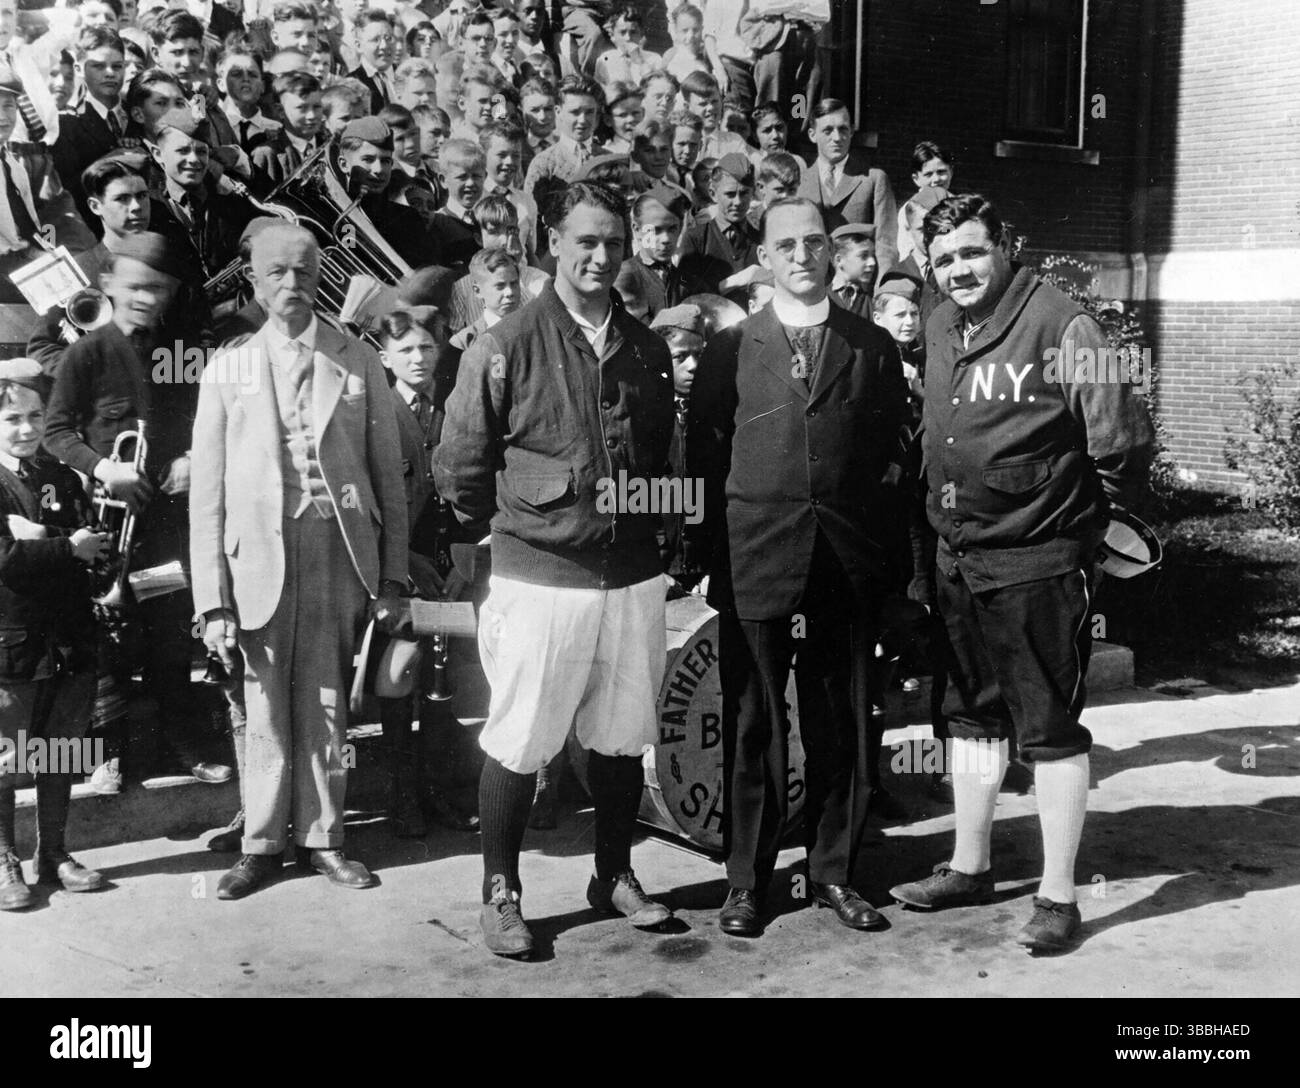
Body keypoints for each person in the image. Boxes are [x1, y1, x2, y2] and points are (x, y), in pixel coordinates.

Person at [887, 194, 1154, 952]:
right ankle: (969, 865)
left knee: (1047, 729)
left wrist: (1085, 532)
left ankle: (1058, 895)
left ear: (1004, 245)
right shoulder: (939, 323)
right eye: (943, 261)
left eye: (971, 252)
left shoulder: (1066, 323)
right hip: (957, 558)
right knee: (970, 716)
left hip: (1038, 560)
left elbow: (1122, 443)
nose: (959, 270)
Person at [434, 181, 677, 960]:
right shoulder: (504, 343)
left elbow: (662, 454)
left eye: (613, 243)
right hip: (540, 575)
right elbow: (461, 467)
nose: (601, 257)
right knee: (521, 737)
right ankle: (500, 892)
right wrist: (518, 533)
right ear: (553, 245)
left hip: (630, 575)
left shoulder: (647, 346)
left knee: (618, 733)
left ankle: (613, 873)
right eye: (585, 243)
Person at [686, 196, 910, 938]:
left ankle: (833, 873)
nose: (804, 255)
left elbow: (891, 459)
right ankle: (746, 882)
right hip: (756, 558)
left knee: (839, 723)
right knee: (753, 725)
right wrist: (709, 557)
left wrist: (880, 557)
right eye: (788, 245)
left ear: (832, 253)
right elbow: (704, 457)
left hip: (842, 563)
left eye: (816, 242)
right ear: (766, 255)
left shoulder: (872, 345)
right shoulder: (731, 348)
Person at [190, 221, 409, 901]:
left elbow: (388, 481)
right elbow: (207, 494)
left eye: (306, 271)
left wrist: (393, 574)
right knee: (262, 706)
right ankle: (260, 843)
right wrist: (212, 601)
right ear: (252, 280)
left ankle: (324, 837)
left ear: (323, 277)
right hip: (255, 558)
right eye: (277, 272)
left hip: (337, 555)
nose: (292, 284)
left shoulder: (359, 360)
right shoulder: (227, 366)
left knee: (326, 703)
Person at [45, 232, 230, 787]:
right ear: (108, 286)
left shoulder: (178, 348)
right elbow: (55, 432)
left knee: (171, 633)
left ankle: (182, 746)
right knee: (110, 641)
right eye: (135, 287)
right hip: (108, 520)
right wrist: (105, 469)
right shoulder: (86, 352)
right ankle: (110, 755)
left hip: (168, 516)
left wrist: (195, 455)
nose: (146, 297)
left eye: (157, 288)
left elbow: (209, 415)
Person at [0, 358, 112, 911]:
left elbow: (97, 547)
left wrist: (44, 537)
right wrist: (63, 544)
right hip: (13, 644)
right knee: (4, 756)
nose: (25, 429)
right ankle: (3, 862)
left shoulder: (60, 476)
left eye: (35, 416)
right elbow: (6, 562)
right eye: (11, 419)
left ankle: (55, 854)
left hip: (67, 638)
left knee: (61, 751)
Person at [376, 305, 479, 837]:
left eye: (427, 348)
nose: (418, 359)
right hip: (397, 575)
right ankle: (401, 799)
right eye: (406, 350)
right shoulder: (376, 412)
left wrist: (463, 563)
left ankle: (439, 794)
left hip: (452, 576)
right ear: (385, 356)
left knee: (443, 691)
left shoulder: (457, 408)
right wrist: (402, 562)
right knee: (398, 684)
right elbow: (368, 502)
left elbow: (477, 487)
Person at [26, 157, 149, 374]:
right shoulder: (67, 272)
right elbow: (41, 348)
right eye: (123, 199)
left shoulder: (172, 262)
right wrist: (89, 375)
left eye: (141, 196)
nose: (137, 207)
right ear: (95, 206)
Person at [796, 98, 898, 272]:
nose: (837, 138)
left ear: (851, 131)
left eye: (843, 129)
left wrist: (883, 291)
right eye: (827, 130)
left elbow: (885, 245)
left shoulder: (873, 179)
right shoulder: (798, 183)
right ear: (812, 135)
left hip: (860, 289)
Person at [650, 303, 706, 592]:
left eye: (699, 355)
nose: (693, 366)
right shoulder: (641, 417)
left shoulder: (716, 415)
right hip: (654, 570)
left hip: (705, 571)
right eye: (680, 357)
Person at [53, 26, 129, 236]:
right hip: (100, 230)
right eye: (98, 66)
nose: (110, 73)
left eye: (117, 66)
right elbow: (70, 189)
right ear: (79, 69)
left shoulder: (137, 109)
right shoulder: (67, 123)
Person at [677, 152, 760, 304]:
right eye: (730, 194)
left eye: (744, 193)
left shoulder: (761, 239)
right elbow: (683, 293)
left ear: (753, 193)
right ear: (713, 194)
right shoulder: (696, 239)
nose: (738, 202)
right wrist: (729, 284)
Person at [614, 185, 695, 322]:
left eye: (672, 229)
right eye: (656, 230)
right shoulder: (621, 277)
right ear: (637, 229)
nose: (666, 239)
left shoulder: (686, 281)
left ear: (681, 228)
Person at [520, 73, 604, 203]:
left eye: (589, 112)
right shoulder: (543, 163)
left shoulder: (608, 159)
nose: (582, 120)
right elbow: (531, 216)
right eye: (575, 112)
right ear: (558, 112)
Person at [430, 136, 486, 269]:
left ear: (485, 177)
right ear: (443, 180)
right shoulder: (436, 224)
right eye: (462, 177)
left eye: (477, 176)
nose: (471, 183)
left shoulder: (490, 219)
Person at [896, 140, 953, 264]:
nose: (936, 179)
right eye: (928, 174)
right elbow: (905, 251)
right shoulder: (912, 209)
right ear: (916, 179)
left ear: (951, 172)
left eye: (941, 172)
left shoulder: (959, 204)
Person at [594, 6, 660, 86]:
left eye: (633, 32)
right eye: (622, 32)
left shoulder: (654, 58)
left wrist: (639, 61)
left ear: (641, 34)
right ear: (613, 35)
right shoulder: (606, 59)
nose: (628, 38)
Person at [348, 8, 398, 113]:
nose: (384, 46)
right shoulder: (351, 84)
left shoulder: (406, 75)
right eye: (375, 40)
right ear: (359, 45)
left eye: (388, 38)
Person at [828, 222, 877, 318]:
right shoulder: (820, 298)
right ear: (839, 260)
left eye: (873, 255)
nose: (872, 262)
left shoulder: (873, 300)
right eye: (863, 256)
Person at [660, 3, 708, 83]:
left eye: (695, 30)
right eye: (685, 30)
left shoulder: (708, 56)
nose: (691, 36)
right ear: (675, 31)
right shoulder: (671, 56)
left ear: (702, 29)